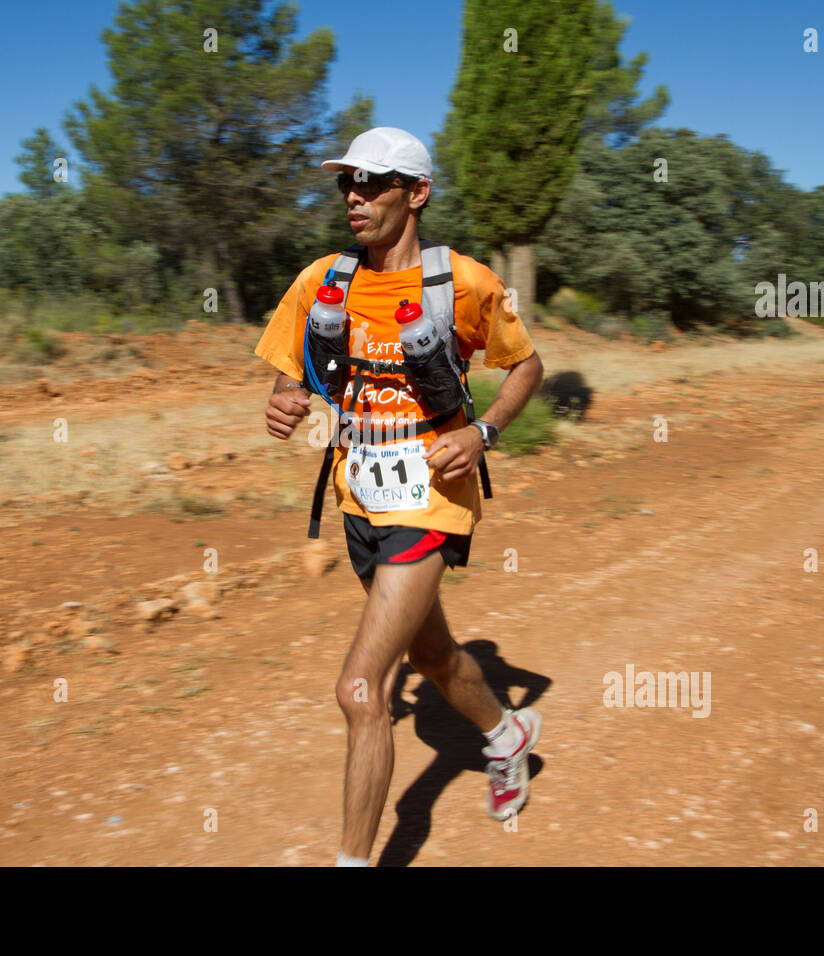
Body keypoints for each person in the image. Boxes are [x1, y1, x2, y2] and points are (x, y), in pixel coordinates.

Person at [256, 127, 545, 867]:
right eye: (346, 183)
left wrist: (484, 431)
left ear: (416, 194)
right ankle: (508, 736)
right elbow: (293, 376)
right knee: (435, 653)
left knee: (361, 689)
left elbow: (526, 366)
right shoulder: (324, 278)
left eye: (373, 182)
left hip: (431, 499)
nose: (354, 195)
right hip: (357, 499)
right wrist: (285, 404)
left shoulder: (466, 283)